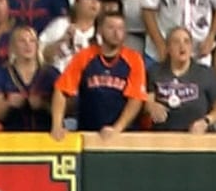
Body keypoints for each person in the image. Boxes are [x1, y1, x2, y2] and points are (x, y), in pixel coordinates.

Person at [51, 11, 148, 140]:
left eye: (120, 28)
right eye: (111, 27)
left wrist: (117, 129)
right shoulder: (84, 57)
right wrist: (57, 125)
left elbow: (136, 99)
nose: (116, 32)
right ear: (100, 30)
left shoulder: (134, 59)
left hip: (124, 135)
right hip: (88, 134)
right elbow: (61, 90)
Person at [145, 26, 216, 132]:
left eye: (186, 42)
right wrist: (151, 106)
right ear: (168, 48)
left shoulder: (206, 73)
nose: (182, 46)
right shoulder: (155, 71)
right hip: (163, 136)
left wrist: (206, 121)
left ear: (191, 47)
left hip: (196, 138)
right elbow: (147, 100)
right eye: (176, 42)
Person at [0, 24, 56, 132]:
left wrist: (43, 104)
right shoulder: (3, 73)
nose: (28, 45)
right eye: (22, 41)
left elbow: (67, 107)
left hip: (46, 134)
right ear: (13, 46)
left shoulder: (50, 73)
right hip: (13, 136)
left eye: (32, 41)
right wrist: (8, 103)